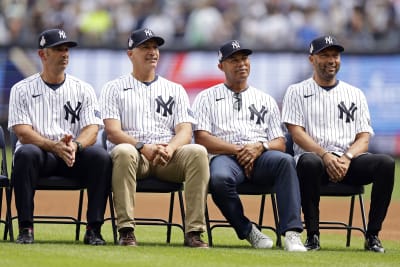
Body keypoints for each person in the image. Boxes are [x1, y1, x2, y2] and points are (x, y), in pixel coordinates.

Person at [282, 35, 395, 253]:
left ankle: (372, 235)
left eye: (335, 55)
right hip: (314, 162)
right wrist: (325, 155)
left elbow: (364, 137)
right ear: (311, 59)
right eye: (324, 55)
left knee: (386, 164)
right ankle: (313, 236)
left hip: (348, 161)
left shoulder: (355, 93)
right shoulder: (296, 91)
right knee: (309, 163)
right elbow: (296, 133)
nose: (331, 60)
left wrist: (346, 158)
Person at [192, 40, 307, 252]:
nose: (241, 64)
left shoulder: (265, 99)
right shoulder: (206, 97)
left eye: (244, 59)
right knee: (219, 179)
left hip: (261, 157)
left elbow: (280, 142)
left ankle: (292, 233)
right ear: (221, 66)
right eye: (233, 60)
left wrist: (259, 148)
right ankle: (247, 230)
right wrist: (240, 150)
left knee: (286, 161)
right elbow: (202, 138)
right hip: (224, 156)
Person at [99, 28, 210, 248]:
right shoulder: (113, 88)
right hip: (135, 156)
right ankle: (126, 230)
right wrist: (143, 147)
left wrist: (169, 148)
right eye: (145, 47)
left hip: (168, 158)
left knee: (198, 152)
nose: (152, 52)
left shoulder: (175, 89)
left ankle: (194, 232)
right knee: (123, 150)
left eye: (155, 47)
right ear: (130, 54)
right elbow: (112, 131)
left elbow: (185, 131)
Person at [8, 28, 112, 245]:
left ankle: (94, 229)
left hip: (71, 155)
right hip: (40, 155)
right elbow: (22, 132)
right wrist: (53, 146)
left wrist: (75, 146)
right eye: (58, 49)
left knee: (101, 157)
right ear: (42, 54)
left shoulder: (83, 88)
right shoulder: (21, 89)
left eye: (66, 49)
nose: (64, 54)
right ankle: (26, 227)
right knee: (25, 153)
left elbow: (92, 130)